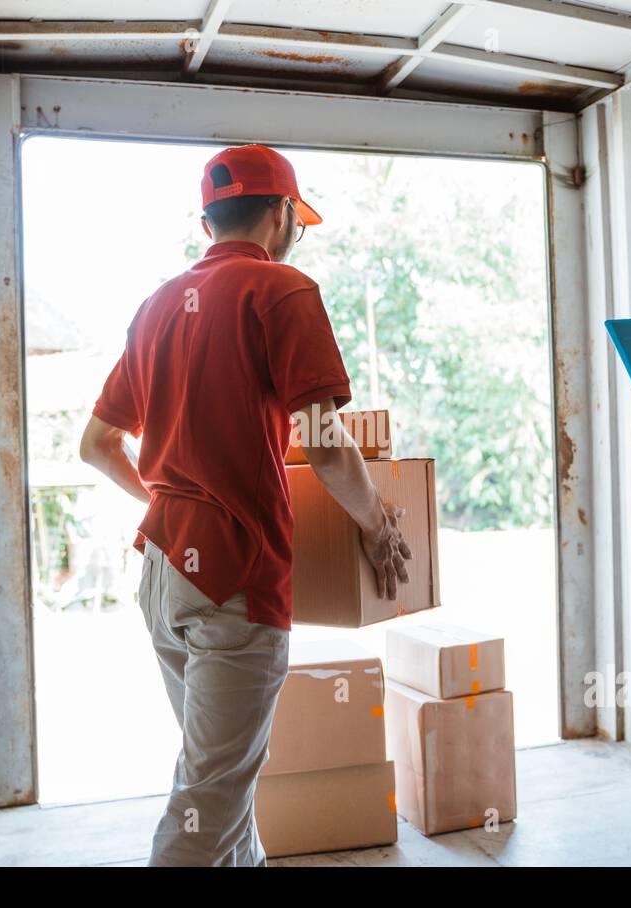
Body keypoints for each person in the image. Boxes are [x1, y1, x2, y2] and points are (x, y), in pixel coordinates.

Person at [78, 144, 409, 866]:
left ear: (209, 220)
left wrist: (172, 500)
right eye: (298, 217)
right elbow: (324, 442)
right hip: (233, 577)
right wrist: (377, 523)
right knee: (210, 797)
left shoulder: (157, 304)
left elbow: (98, 445)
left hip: (162, 571)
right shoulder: (283, 290)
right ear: (282, 213)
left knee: (223, 780)